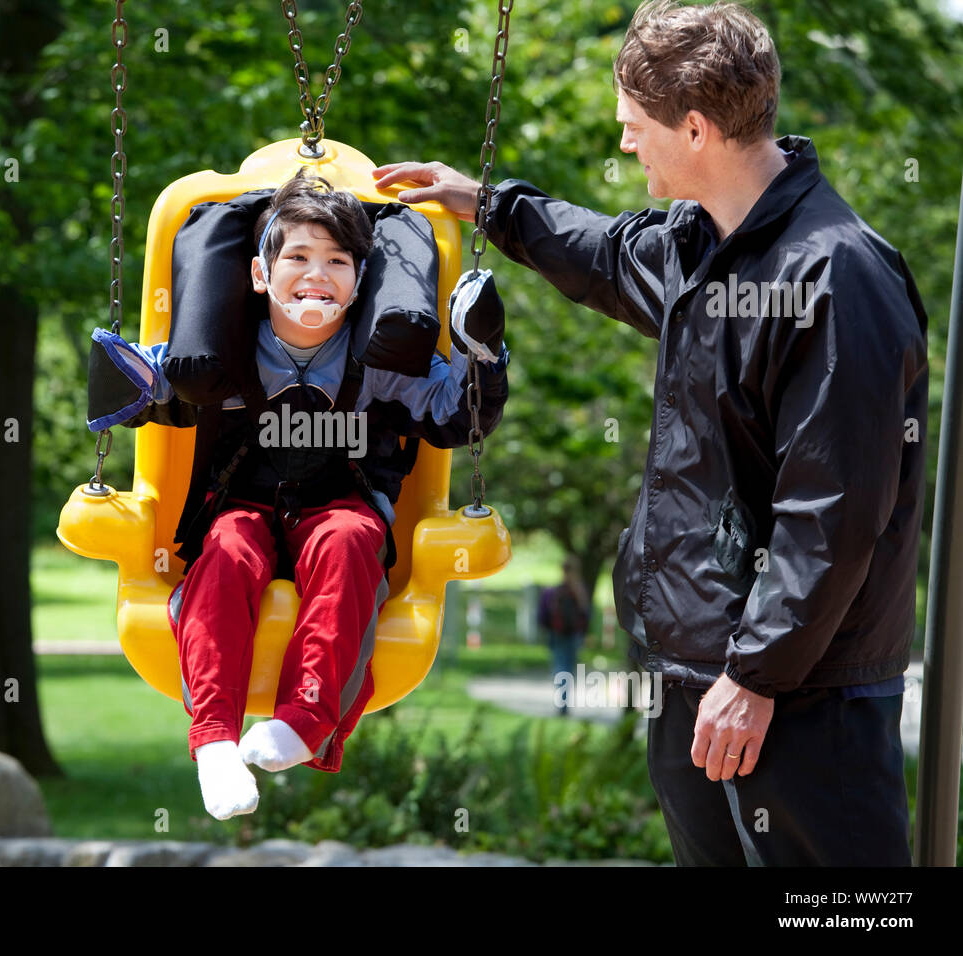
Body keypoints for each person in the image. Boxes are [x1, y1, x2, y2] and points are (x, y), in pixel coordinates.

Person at [374, 0, 927, 865]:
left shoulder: (837, 276)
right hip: (695, 675)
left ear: (697, 128)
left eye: (635, 125)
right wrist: (488, 205)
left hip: (800, 697)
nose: (626, 143)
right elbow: (599, 251)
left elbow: (833, 510)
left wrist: (755, 677)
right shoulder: (696, 241)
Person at [98, 170, 510, 820]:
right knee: (227, 549)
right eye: (297, 257)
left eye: (337, 262)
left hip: (338, 508)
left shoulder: (382, 358)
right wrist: (127, 382)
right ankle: (213, 742)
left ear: (359, 280)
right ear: (261, 275)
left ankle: (305, 719)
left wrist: (481, 355)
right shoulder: (225, 351)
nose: (316, 275)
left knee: (349, 539)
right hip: (244, 508)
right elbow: (158, 387)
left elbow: (454, 416)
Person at [538, 555, 592, 716]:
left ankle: (561, 701)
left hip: (556, 634)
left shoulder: (553, 591)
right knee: (567, 668)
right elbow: (586, 615)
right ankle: (564, 702)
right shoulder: (580, 592)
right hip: (573, 635)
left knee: (559, 666)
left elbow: (542, 615)